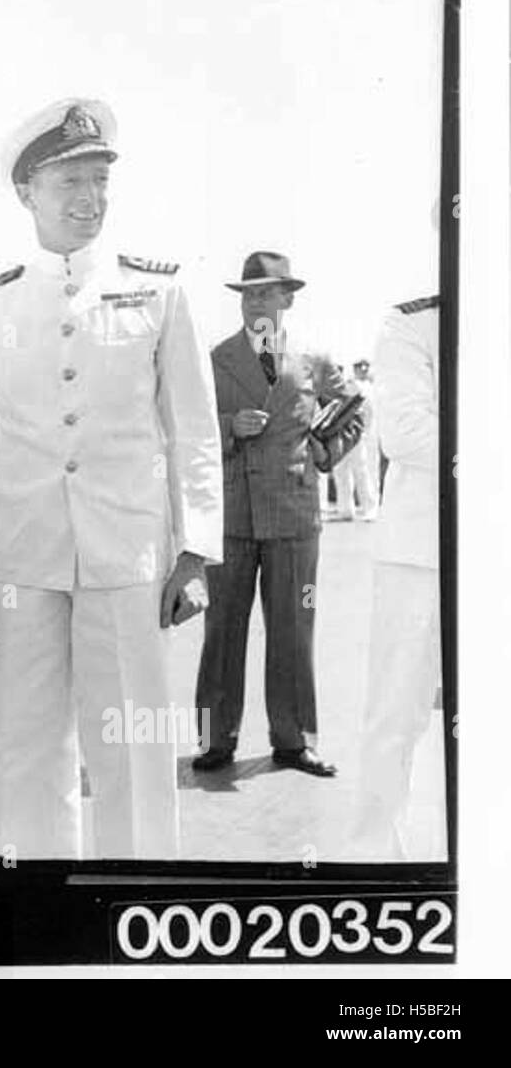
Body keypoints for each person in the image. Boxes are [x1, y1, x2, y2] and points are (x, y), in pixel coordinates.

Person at [0, 99, 223, 859]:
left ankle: (138, 910)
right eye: (68, 181)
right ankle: (41, 915)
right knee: (26, 750)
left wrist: (194, 550)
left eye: (99, 179)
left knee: (132, 747)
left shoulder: (159, 291)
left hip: (127, 559)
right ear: (27, 192)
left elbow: (192, 426)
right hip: (22, 563)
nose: (88, 198)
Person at [192, 252, 364, 777]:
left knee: (293, 628)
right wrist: (228, 427)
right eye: (248, 293)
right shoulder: (215, 358)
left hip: (292, 513)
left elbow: (356, 409)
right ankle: (215, 739)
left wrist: (324, 453)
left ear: (288, 299)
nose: (256, 302)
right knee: (222, 629)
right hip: (234, 516)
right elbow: (189, 428)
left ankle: (294, 741)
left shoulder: (314, 359)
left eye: (267, 293)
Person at [349, 295, 441, 858]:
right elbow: (404, 431)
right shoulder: (411, 323)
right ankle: (374, 860)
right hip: (421, 550)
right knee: (396, 715)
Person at [331, 359, 380, 521]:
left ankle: (370, 508)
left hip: (355, 435)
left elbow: (368, 412)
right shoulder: (332, 388)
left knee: (361, 472)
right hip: (338, 435)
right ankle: (345, 510)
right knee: (341, 472)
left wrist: (362, 431)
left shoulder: (356, 387)